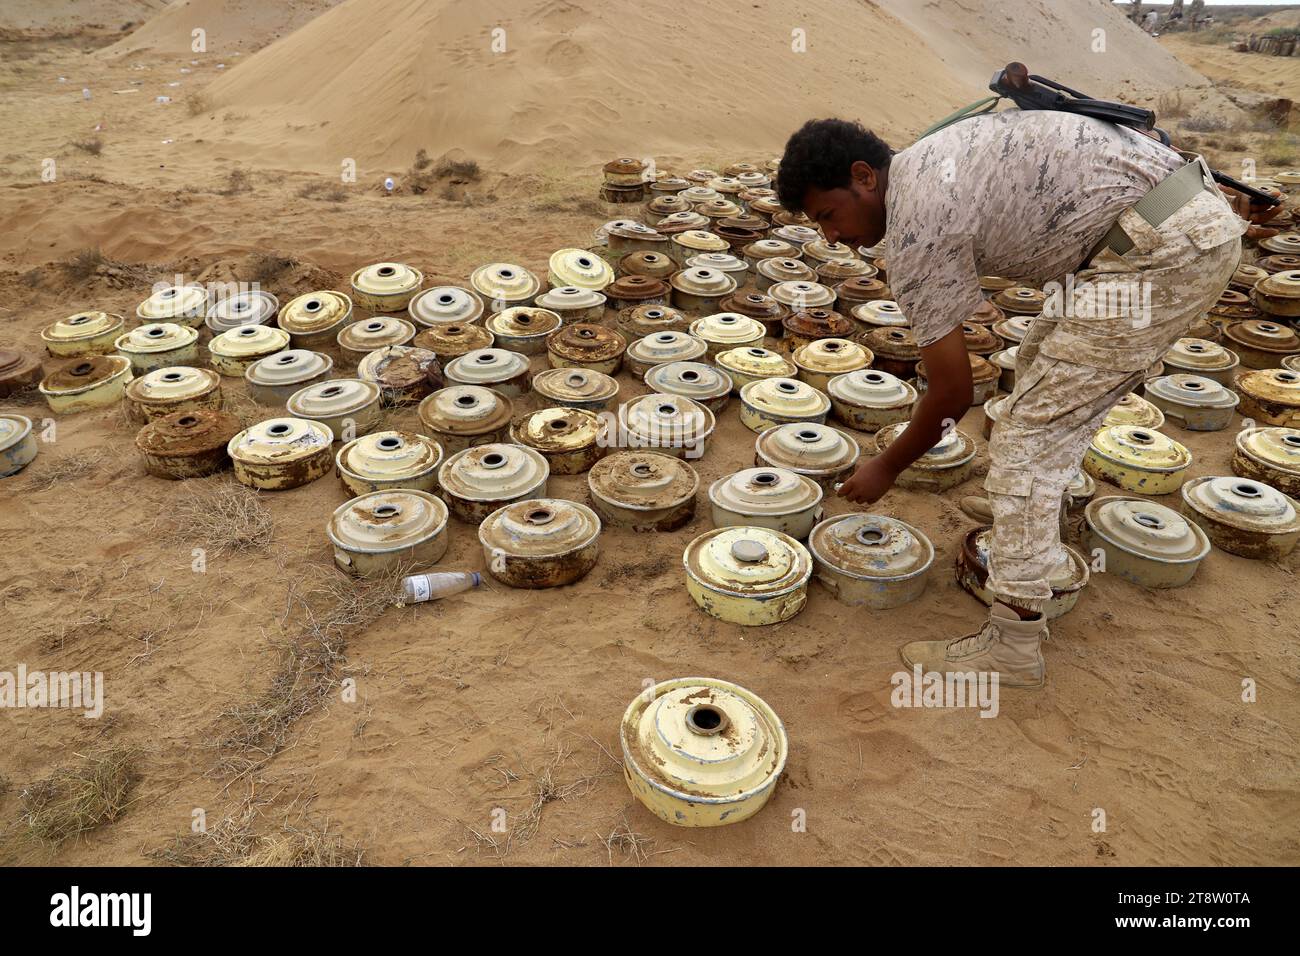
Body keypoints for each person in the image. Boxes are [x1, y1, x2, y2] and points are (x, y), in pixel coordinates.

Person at [776, 109, 1248, 688]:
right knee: (1043, 372)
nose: (830, 236)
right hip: (1172, 225)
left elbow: (952, 392)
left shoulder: (915, 226)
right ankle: (1034, 517)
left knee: (1029, 433)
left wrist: (886, 465)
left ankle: (1014, 643)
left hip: (1157, 256)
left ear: (864, 177)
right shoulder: (926, 156)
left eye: (829, 214)